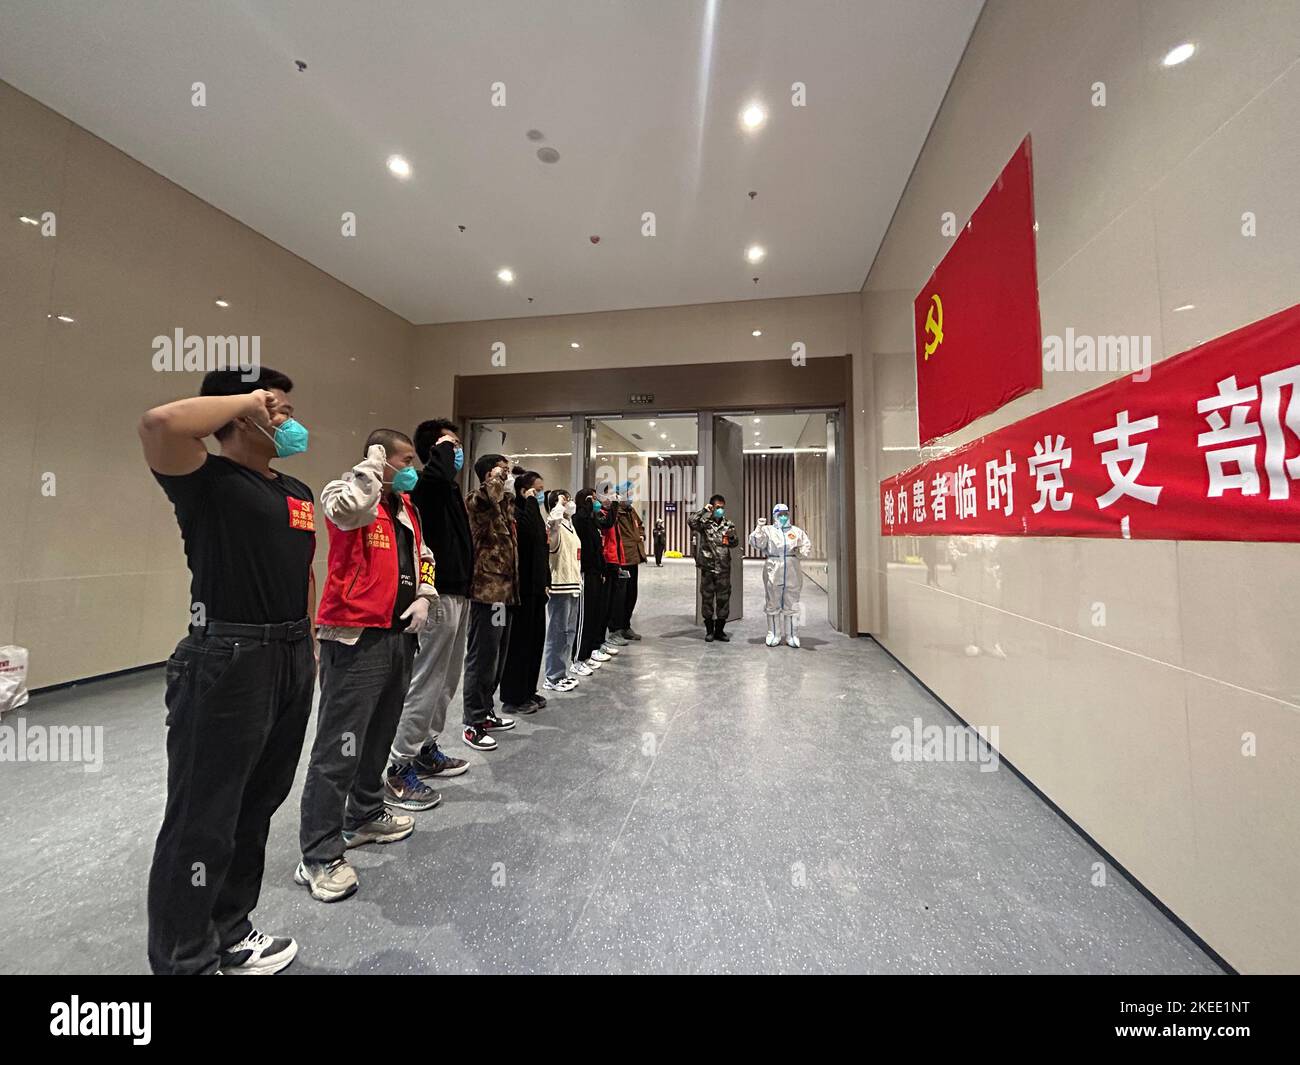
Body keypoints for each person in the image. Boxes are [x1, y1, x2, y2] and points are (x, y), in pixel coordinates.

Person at [140, 367, 315, 975]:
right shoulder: (204, 481)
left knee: (259, 801)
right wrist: (245, 397)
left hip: (292, 654)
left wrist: (308, 644)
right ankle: (185, 958)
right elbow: (159, 423)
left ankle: (231, 930)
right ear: (242, 416)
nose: (292, 422)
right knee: (203, 815)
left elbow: (301, 572)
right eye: (281, 410)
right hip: (226, 657)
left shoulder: (296, 492)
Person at [296, 431, 437, 903]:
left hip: (399, 636)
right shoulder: (346, 492)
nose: (412, 468)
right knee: (339, 745)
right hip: (355, 638)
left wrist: (424, 594)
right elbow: (349, 511)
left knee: (378, 734)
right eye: (405, 460)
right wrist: (371, 469)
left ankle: (365, 814)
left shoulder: (407, 510)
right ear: (380, 459)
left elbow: (425, 558)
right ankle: (318, 853)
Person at [385, 419, 471, 805]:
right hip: (436, 594)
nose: (457, 451)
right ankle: (397, 766)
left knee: (447, 680)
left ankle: (425, 748)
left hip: (460, 593)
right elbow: (434, 478)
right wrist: (441, 448)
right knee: (427, 681)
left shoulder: (449, 489)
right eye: (450, 446)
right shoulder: (425, 485)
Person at [461, 454, 519, 751]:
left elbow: (502, 502)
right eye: (502, 472)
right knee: (481, 657)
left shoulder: (503, 506)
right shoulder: (477, 500)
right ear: (488, 475)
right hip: (488, 592)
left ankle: (486, 711)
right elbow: (485, 499)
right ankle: (472, 721)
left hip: (505, 594)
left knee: (497, 657)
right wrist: (495, 480)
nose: (508, 477)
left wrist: (506, 489)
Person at [500, 470, 550, 715]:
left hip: (537, 589)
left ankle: (529, 690)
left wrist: (546, 581)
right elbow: (528, 534)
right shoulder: (518, 512)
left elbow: (543, 546)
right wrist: (530, 501)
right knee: (519, 645)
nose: (541, 495)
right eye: (537, 490)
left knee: (534, 642)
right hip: (521, 590)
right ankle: (513, 696)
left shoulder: (534, 512)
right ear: (523, 491)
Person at [748, 503, 813, 648]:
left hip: (792, 567)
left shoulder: (796, 531)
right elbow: (756, 542)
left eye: (785, 514)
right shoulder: (768, 530)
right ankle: (774, 633)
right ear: (774, 516)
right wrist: (759, 528)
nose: (783, 517)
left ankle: (792, 635)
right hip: (773, 566)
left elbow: (806, 546)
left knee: (793, 600)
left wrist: (799, 551)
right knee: (773, 599)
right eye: (780, 515)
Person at [541, 489, 582, 691]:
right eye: (566, 500)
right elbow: (553, 525)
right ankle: (552, 676)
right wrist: (557, 504)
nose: (570, 503)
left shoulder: (570, 525)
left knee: (569, 632)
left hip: (573, 584)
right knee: (557, 633)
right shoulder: (555, 526)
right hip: (560, 586)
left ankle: (562, 672)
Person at [689, 493, 738, 643]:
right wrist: (704, 510)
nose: (720, 510)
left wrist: (732, 538)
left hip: (723, 569)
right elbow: (691, 522)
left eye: (722, 508)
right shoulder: (705, 523)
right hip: (708, 568)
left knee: (723, 600)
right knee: (707, 599)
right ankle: (709, 631)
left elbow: (734, 543)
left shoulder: (728, 524)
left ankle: (720, 631)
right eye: (718, 507)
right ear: (712, 507)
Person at [571, 488, 610, 674]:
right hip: (585, 572)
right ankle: (577, 658)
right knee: (584, 618)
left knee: (595, 614)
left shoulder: (594, 521)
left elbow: (598, 547)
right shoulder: (580, 519)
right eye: (592, 499)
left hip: (596, 572)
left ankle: (587, 654)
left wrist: (602, 569)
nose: (595, 502)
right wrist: (586, 506)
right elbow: (581, 525)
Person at [598, 488, 629, 656]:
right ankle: (603, 638)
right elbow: (607, 524)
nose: (612, 498)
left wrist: (620, 561)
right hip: (606, 562)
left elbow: (617, 540)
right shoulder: (601, 515)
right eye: (608, 495)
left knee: (614, 601)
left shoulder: (613, 514)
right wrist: (614, 505)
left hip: (615, 560)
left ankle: (608, 637)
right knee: (605, 603)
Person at [612, 491, 647, 641]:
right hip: (622, 559)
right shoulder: (616, 513)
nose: (630, 498)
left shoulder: (631, 511)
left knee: (632, 594)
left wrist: (641, 534)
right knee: (620, 596)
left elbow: (640, 524)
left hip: (634, 557)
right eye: (626, 496)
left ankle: (626, 625)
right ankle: (616, 628)